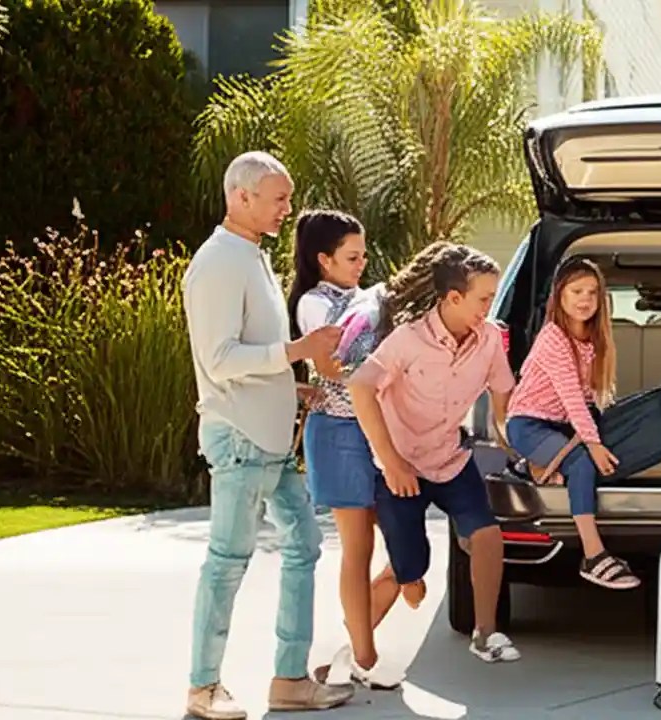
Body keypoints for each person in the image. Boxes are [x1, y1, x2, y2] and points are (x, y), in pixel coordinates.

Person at [182, 151, 354, 720]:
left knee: (304, 546)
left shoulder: (250, 256)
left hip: (272, 441)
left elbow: (254, 356)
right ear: (241, 197)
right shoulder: (220, 262)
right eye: (278, 198)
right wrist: (300, 354)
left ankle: (289, 681)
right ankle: (203, 690)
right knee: (227, 561)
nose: (287, 208)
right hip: (240, 439)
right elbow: (220, 357)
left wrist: (293, 388)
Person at [348, 242, 522, 663]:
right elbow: (360, 386)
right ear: (454, 298)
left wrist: (522, 452)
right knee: (410, 571)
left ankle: (486, 633)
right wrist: (391, 461)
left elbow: (504, 402)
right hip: (401, 468)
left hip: (450, 459)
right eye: (484, 298)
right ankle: (353, 649)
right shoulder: (408, 340)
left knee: (486, 534)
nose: (490, 305)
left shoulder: (490, 340)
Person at [286, 209, 402, 690]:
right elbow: (336, 367)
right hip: (339, 434)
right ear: (323, 260)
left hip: (382, 430)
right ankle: (366, 657)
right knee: (360, 547)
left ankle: (352, 649)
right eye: (352, 256)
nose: (361, 263)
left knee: (406, 545)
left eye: (363, 255)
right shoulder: (314, 304)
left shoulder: (367, 299)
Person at [505, 257, 640, 590]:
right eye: (576, 291)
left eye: (592, 293)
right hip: (529, 425)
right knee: (582, 463)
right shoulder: (553, 338)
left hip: (562, 427)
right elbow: (571, 398)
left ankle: (545, 466)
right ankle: (593, 555)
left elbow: (592, 399)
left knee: (600, 443)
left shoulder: (593, 341)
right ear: (559, 296)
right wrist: (592, 445)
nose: (585, 300)